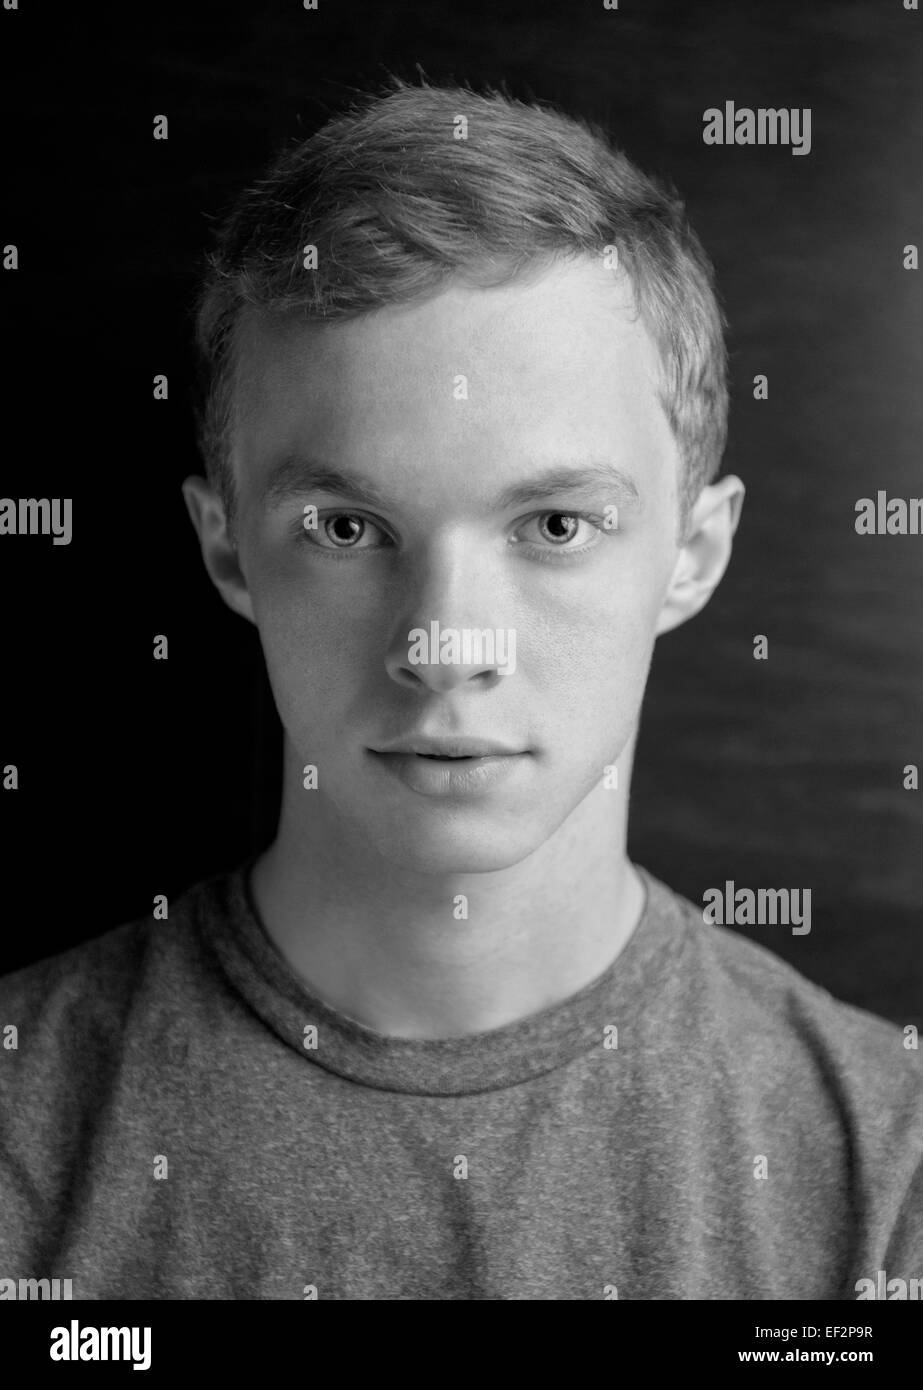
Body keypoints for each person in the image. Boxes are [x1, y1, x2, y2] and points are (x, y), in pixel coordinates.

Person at [1, 78, 920, 1302]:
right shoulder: (20, 1132)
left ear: (690, 555)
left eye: (552, 523)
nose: (443, 644)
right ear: (226, 548)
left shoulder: (888, 1178)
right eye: (343, 525)